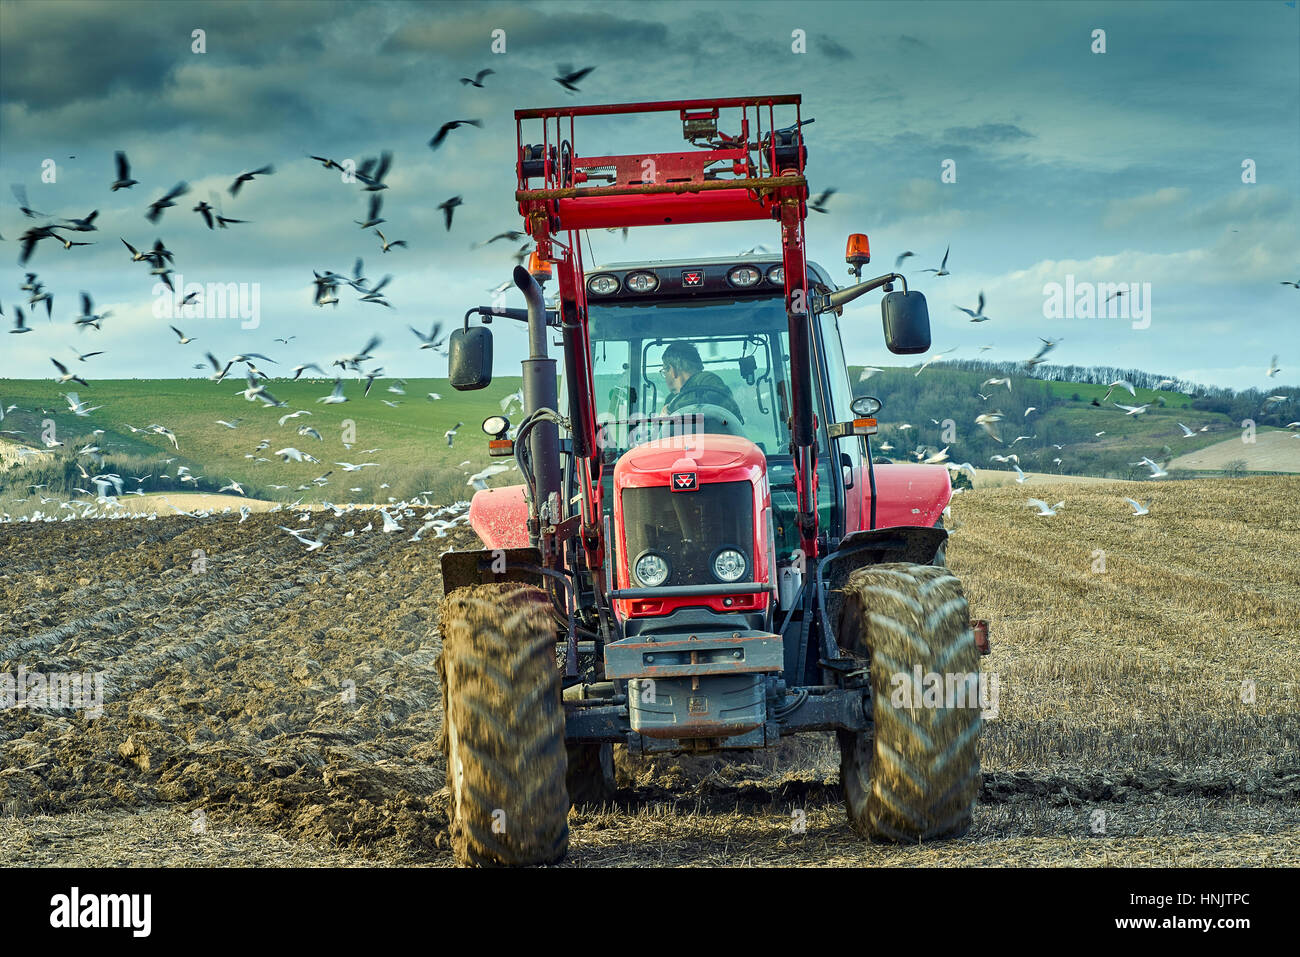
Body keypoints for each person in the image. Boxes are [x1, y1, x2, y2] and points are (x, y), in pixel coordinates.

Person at [659, 341, 743, 419]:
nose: (665, 376)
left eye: (664, 371)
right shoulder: (671, 399)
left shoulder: (707, 380)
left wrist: (672, 410)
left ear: (672, 370)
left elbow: (715, 401)